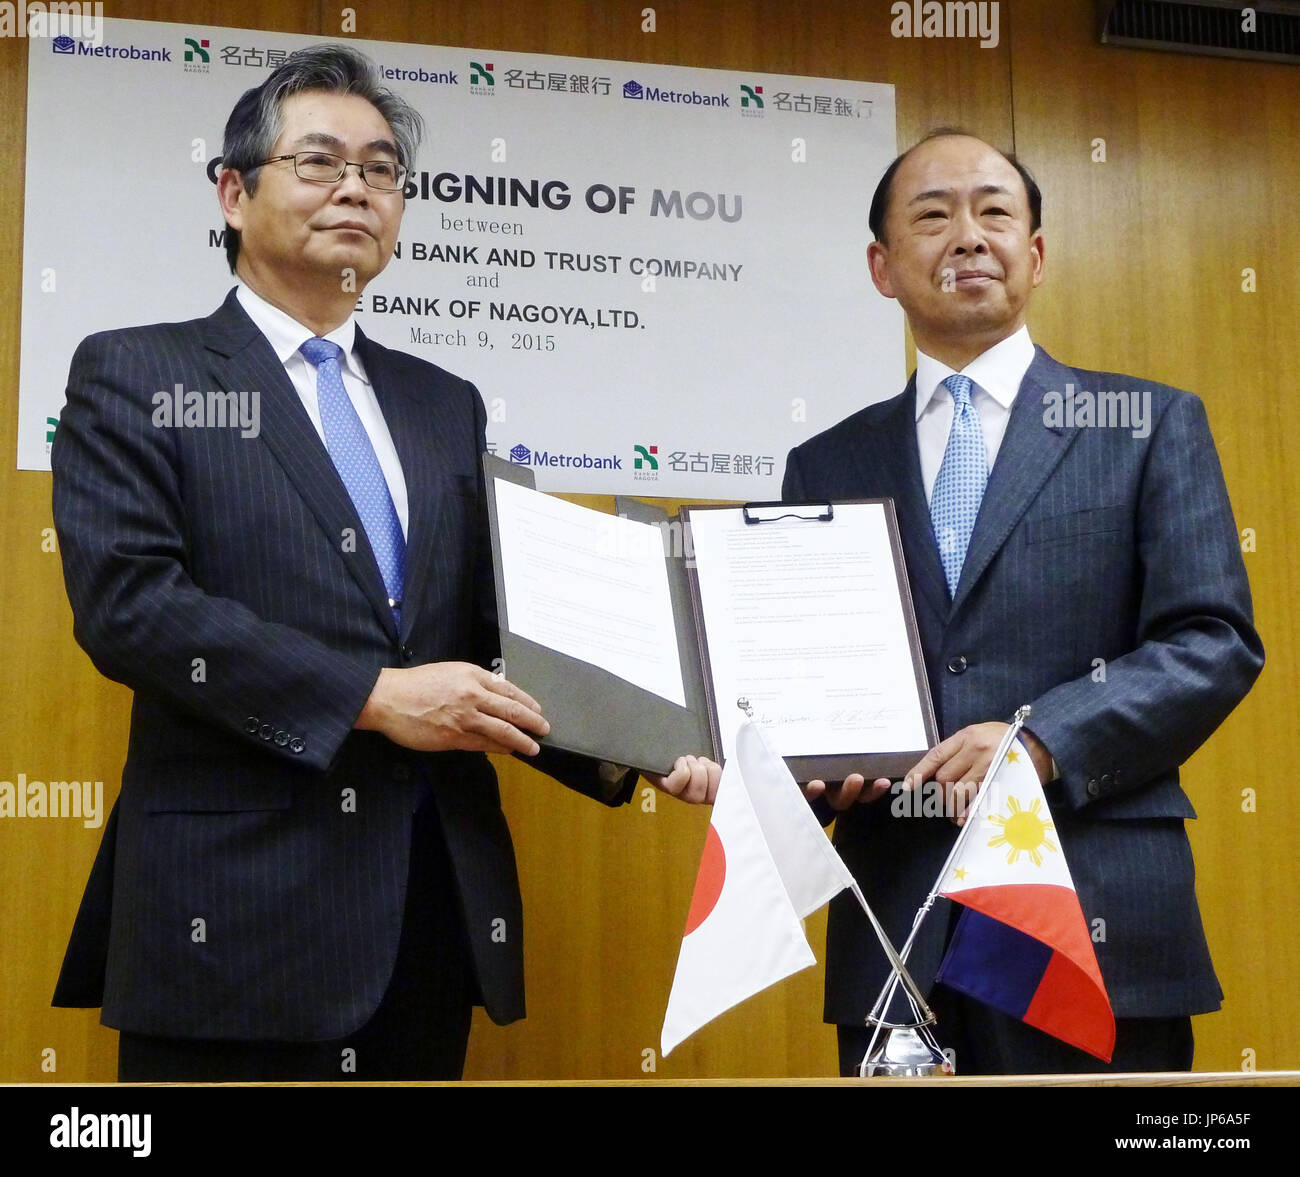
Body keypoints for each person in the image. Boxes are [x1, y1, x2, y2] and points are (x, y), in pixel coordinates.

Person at [50, 44, 719, 1082]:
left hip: (426, 910)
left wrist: (645, 735)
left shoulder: (439, 401)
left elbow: (504, 632)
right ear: (233, 191)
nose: (355, 188)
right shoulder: (139, 371)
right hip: (230, 914)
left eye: (381, 170)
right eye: (319, 162)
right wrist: (372, 695)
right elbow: (131, 607)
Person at [783, 130, 1263, 1076]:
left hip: (1094, 924)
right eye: (932, 215)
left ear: (1035, 256)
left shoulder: (1147, 423)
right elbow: (811, 677)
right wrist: (803, 765)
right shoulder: (827, 462)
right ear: (882, 267)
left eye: (994, 211)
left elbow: (1213, 641)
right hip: (900, 936)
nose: (967, 235)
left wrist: (1039, 739)